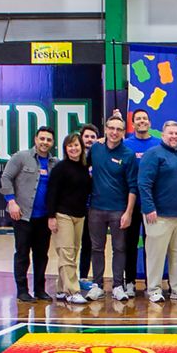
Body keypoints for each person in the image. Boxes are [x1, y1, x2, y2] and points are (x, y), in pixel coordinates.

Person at [137, 119, 177, 304]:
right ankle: (153, 289)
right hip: (158, 215)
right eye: (170, 133)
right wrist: (149, 208)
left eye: (176, 133)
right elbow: (143, 183)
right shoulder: (153, 154)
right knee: (156, 255)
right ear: (163, 135)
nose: (174, 136)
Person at [0, 124, 56, 304]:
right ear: (36, 140)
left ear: (52, 143)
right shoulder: (21, 157)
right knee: (22, 253)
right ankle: (22, 290)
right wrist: (11, 201)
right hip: (23, 216)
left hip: (43, 218)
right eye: (42, 139)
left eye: (48, 140)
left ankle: (40, 289)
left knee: (42, 255)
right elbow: (6, 177)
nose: (45, 142)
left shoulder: (54, 163)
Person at [86, 115, 138, 302]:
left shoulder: (128, 155)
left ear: (124, 132)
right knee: (97, 248)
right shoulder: (95, 149)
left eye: (119, 129)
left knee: (119, 248)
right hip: (96, 209)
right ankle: (97, 285)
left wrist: (129, 212)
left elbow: (133, 186)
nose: (115, 132)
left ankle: (117, 285)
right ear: (106, 129)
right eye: (111, 128)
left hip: (119, 210)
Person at [46, 133, 91, 305]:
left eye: (76, 145)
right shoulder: (60, 168)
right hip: (62, 214)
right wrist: (52, 216)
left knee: (72, 253)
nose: (74, 148)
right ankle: (72, 291)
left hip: (79, 216)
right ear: (66, 149)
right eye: (70, 146)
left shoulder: (84, 167)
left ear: (81, 147)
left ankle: (60, 288)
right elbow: (52, 193)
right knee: (66, 253)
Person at [122, 109, 157, 296]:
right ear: (133, 124)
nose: (142, 121)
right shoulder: (125, 145)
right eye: (138, 119)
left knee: (152, 245)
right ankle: (130, 282)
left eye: (145, 118)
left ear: (149, 123)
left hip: (152, 204)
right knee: (130, 243)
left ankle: (152, 284)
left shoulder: (158, 144)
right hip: (131, 204)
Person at [77, 122, 99, 290]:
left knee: (88, 244)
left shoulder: (98, 156)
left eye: (93, 137)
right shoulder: (74, 157)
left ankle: (83, 277)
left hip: (92, 207)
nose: (90, 139)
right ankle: (67, 280)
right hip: (75, 208)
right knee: (71, 245)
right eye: (87, 136)